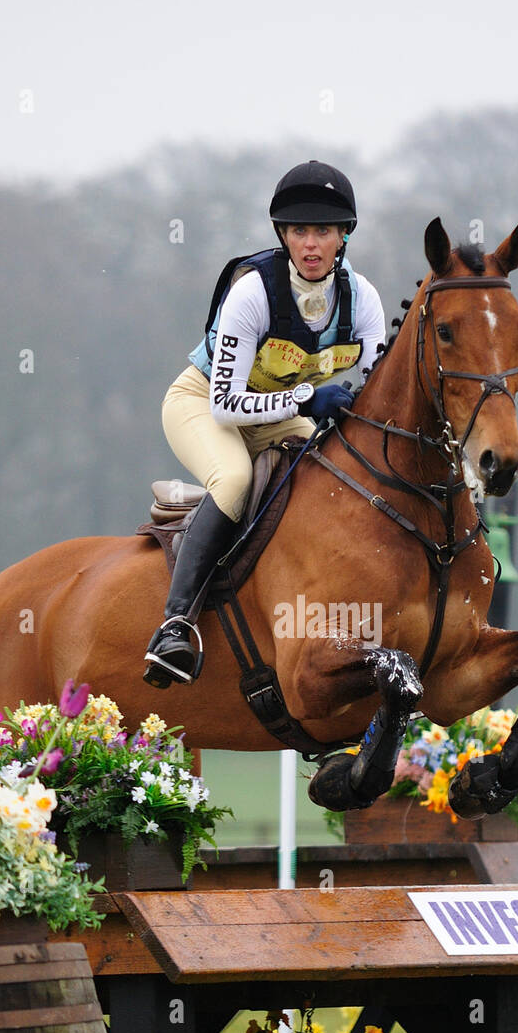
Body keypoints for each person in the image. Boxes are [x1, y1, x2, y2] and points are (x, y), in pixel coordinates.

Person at [143, 159, 386, 688]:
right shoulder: (253, 292)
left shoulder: (363, 300)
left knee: (333, 473)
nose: (312, 244)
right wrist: (304, 398)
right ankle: (175, 623)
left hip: (279, 415)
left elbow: (368, 397)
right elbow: (226, 404)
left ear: (344, 234)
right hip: (204, 404)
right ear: (283, 234)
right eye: (300, 231)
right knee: (233, 479)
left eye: (324, 230)